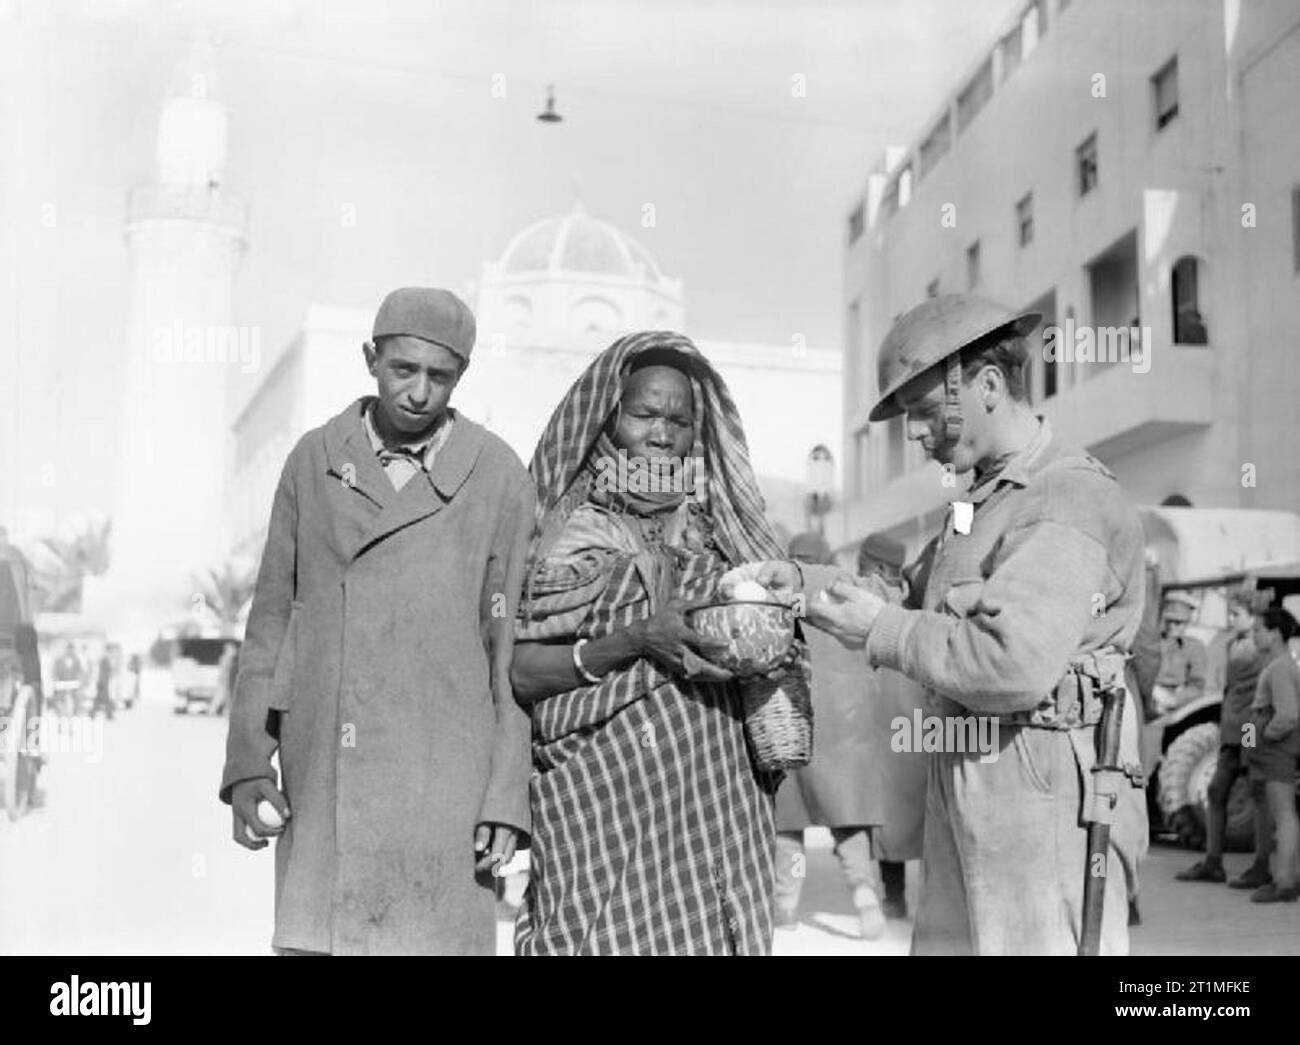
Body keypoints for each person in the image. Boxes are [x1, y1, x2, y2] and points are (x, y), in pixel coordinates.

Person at [728, 293, 1149, 955]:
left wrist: (883, 630)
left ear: (985, 386)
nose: (917, 435)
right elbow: (904, 594)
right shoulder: (983, 501)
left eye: (924, 414)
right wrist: (803, 585)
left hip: (1044, 787)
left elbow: (1012, 665)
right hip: (973, 770)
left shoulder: (1067, 495)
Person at [220, 287, 536, 955]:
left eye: (440, 376)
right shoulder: (313, 460)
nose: (420, 392)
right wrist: (249, 761)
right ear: (371, 359)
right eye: (403, 369)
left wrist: (506, 795)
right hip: (327, 768)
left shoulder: (498, 475)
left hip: (444, 786)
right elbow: (271, 620)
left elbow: (509, 647)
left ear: (461, 378)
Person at [510, 331, 805, 955]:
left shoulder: (724, 534)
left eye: (679, 420)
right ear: (609, 420)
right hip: (593, 801)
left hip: (715, 803)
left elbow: (780, 644)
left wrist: (767, 640)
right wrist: (638, 639)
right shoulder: (559, 531)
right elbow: (519, 673)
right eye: (644, 414)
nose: (662, 433)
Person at [773, 531, 886, 939]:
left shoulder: (777, 596)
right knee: (849, 821)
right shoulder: (845, 592)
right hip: (846, 727)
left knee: (789, 822)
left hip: (792, 719)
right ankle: (864, 895)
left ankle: (785, 902)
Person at [857, 532, 927, 922]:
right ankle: (930, 896)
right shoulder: (918, 602)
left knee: (890, 814)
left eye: (865, 565)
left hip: (887, 720)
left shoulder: (870, 603)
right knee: (921, 811)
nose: (860, 573)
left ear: (882, 568)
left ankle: (895, 896)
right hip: (920, 723)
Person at [1176, 592, 1268, 886]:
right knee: (1217, 792)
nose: (1231, 620)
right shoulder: (1233, 644)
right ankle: (1213, 860)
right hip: (1231, 730)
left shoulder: (1262, 648)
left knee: (1257, 793)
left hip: (1249, 729)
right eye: (1230, 614)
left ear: (1253, 617)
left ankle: (1261, 863)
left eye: (1236, 614)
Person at [1243, 607, 1300, 903]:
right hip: (1262, 748)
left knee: (1284, 813)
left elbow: (1287, 715)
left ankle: (1286, 882)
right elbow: (1255, 712)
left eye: (1258, 630)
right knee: (1267, 807)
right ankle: (1266, 870)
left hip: (1275, 748)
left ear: (1276, 633)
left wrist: (1264, 738)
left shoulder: (1280, 668)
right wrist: (1249, 746)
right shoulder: (1274, 664)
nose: (1253, 635)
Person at [1151, 594, 1207, 715]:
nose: (1171, 627)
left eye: (1177, 623)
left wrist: (1175, 699)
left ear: (1186, 623)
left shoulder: (1194, 647)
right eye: (1168, 621)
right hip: (1150, 698)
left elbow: (1197, 686)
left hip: (1179, 704)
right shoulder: (1151, 643)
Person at [51, 642, 83, 718]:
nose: (70, 651)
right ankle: (60, 714)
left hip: (73, 683)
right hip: (61, 683)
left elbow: (79, 671)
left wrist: (80, 681)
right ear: (66, 649)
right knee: (60, 700)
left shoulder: (76, 659)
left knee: (75, 699)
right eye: (68, 649)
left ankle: (74, 715)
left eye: (71, 649)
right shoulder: (58, 659)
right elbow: (54, 671)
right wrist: (55, 680)